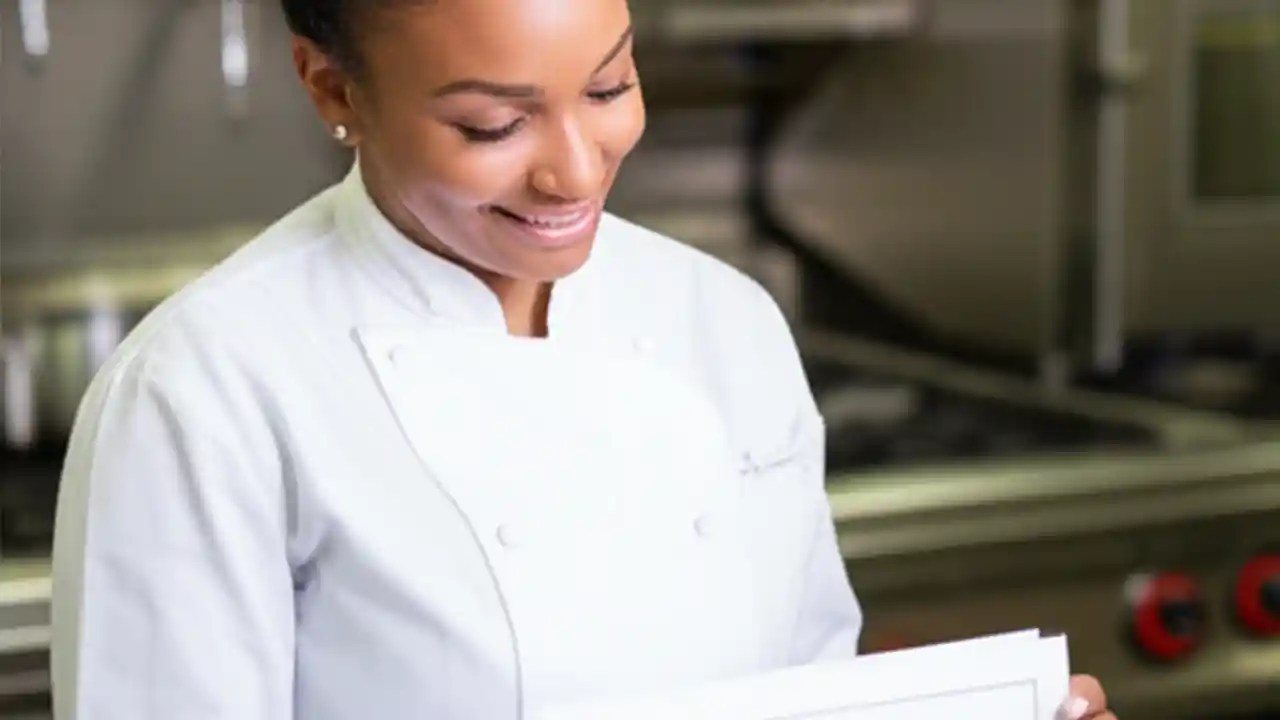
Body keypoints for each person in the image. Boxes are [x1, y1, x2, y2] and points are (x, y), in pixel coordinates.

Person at [49, 0, 1115, 717]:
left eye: (608, 89)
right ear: (331, 90)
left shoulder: (721, 322)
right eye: (490, 124)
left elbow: (805, 694)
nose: (573, 170)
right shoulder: (204, 391)